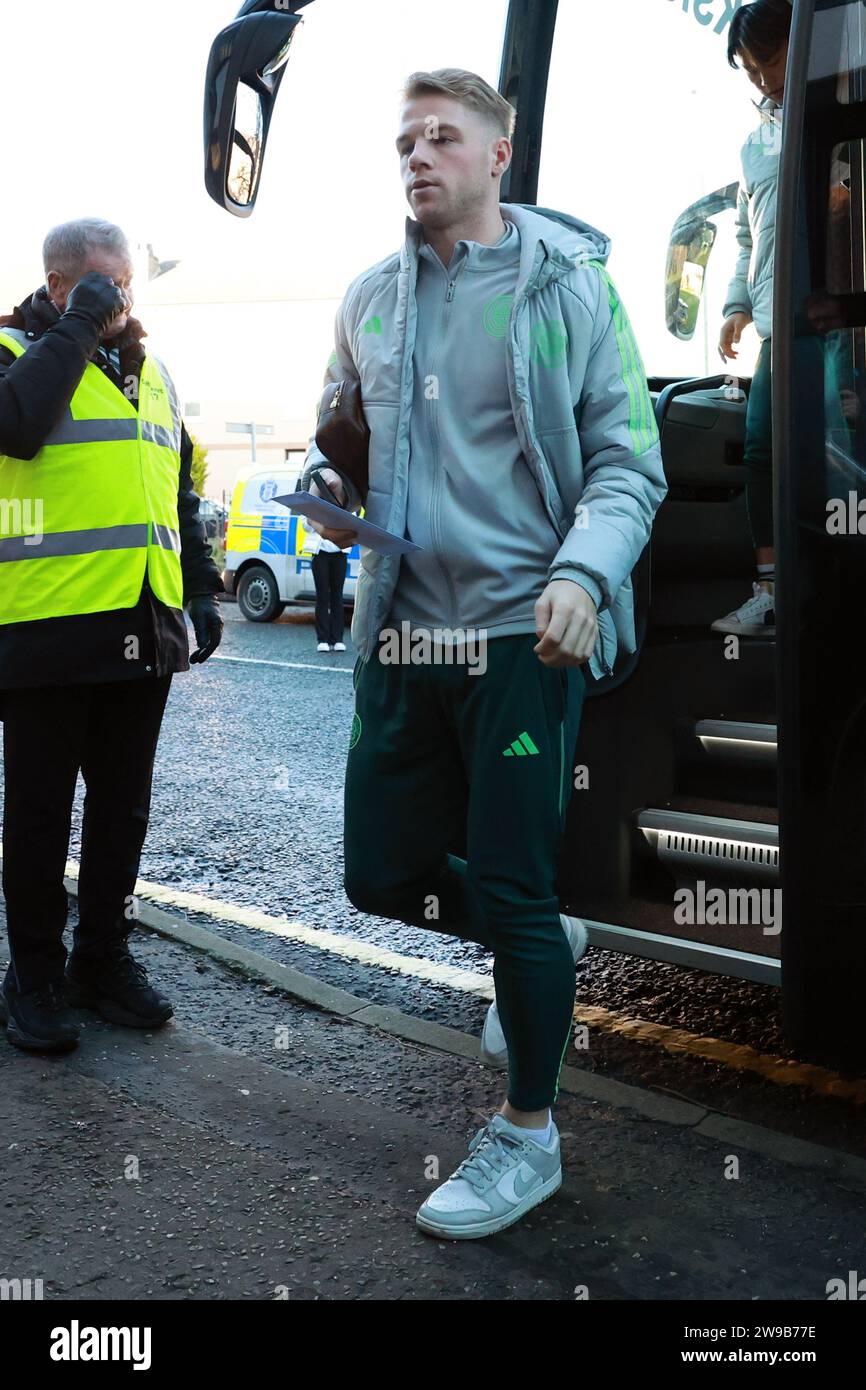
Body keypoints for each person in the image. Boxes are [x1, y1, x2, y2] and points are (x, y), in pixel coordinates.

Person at [301, 69, 666, 1239]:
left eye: (441, 137)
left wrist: (582, 573)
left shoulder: (566, 286)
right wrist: (330, 485)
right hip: (404, 628)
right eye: (403, 139)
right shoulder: (368, 296)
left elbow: (625, 460)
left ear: (497, 157)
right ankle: (536, 946)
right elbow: (345, 442)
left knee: (511, 882)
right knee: (374, 873)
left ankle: (525, 1136)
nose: (415, 156)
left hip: (521, 629)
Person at [0, 218, 224, 1054]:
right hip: (47, 625)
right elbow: (18, 426)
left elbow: (178, 492)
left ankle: (102, 960)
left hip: (144, 627)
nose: (118, 300)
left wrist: (200, 592)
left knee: (122, 812)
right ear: (59, 286)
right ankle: (33, 976)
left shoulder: (152, 372)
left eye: (125, 283)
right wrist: (75, 326)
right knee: (38, 816)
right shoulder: (14, 352)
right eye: (99, 285)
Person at [714, 0, 791, 638]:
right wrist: (737, 306)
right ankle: (770, 590)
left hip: (836, 323)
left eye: (769, 59)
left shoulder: (835, 112)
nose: (762, 78)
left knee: (837, 454)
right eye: (749, 68)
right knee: (762, 450)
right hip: (777, 326)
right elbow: (745, 235)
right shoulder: (754, 143)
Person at [303, 521, 349, 652]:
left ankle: (337, 639)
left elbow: (351, 522)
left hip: (340, 552)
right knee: (322, 595)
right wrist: (311, 515)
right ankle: (322, 639)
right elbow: (305, 526)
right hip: (320, 552)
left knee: (337, 596)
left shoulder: (345, 502)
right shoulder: (314, 502)